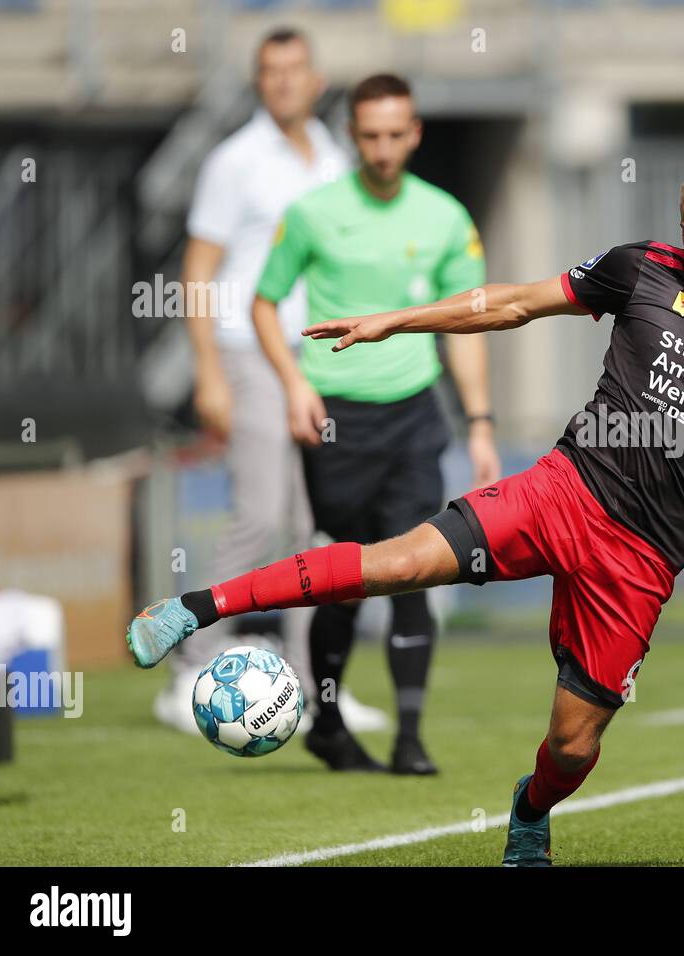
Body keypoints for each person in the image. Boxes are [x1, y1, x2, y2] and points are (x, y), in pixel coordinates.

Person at [126, 160, 684, 865]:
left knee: (573, 746)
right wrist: (399, 321)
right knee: (396, 563)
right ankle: (193, 608)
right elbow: (512, 303)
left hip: (643, 556)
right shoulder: (641, 269)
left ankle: (531, 808)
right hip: (563, 491)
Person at [250, 72, 500, 775]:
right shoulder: (312, 213)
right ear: (353, 136)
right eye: (370, 136)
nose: (384, 148)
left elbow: (467, 326)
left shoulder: (446, 217)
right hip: (335, 418)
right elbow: (264, 304)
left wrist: (479, 421)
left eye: (397, 134)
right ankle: (326, 722)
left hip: (416, 413)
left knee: (418, 565)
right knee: (347, 567)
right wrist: (294, 383)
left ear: (415, 133)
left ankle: (411, 736)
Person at [165, 27, 387, 737]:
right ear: (259, 83)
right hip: (248, 353)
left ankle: (313, 686)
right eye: (270, 71)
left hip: (318, 362)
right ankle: (187, 664)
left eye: (296, 70)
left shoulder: (333, 157)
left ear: (317, 80)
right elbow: (197, 272)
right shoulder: (234, 162)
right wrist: (207, 370)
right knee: (260, 515)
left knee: (312, 527)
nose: (284, 81)